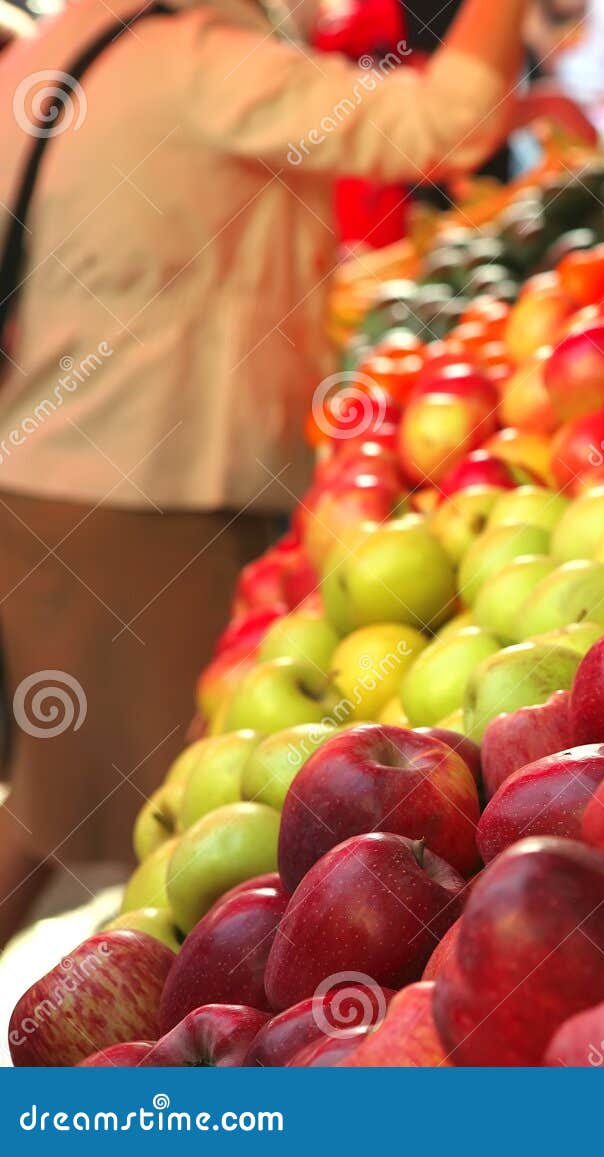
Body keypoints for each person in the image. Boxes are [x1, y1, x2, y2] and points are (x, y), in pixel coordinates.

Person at [0, 0, 527, 945]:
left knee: (71, 812)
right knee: (121, 836)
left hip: (53, 480)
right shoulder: (196, 63)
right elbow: (455, 121)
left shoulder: (48, 58)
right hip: (145, 500)